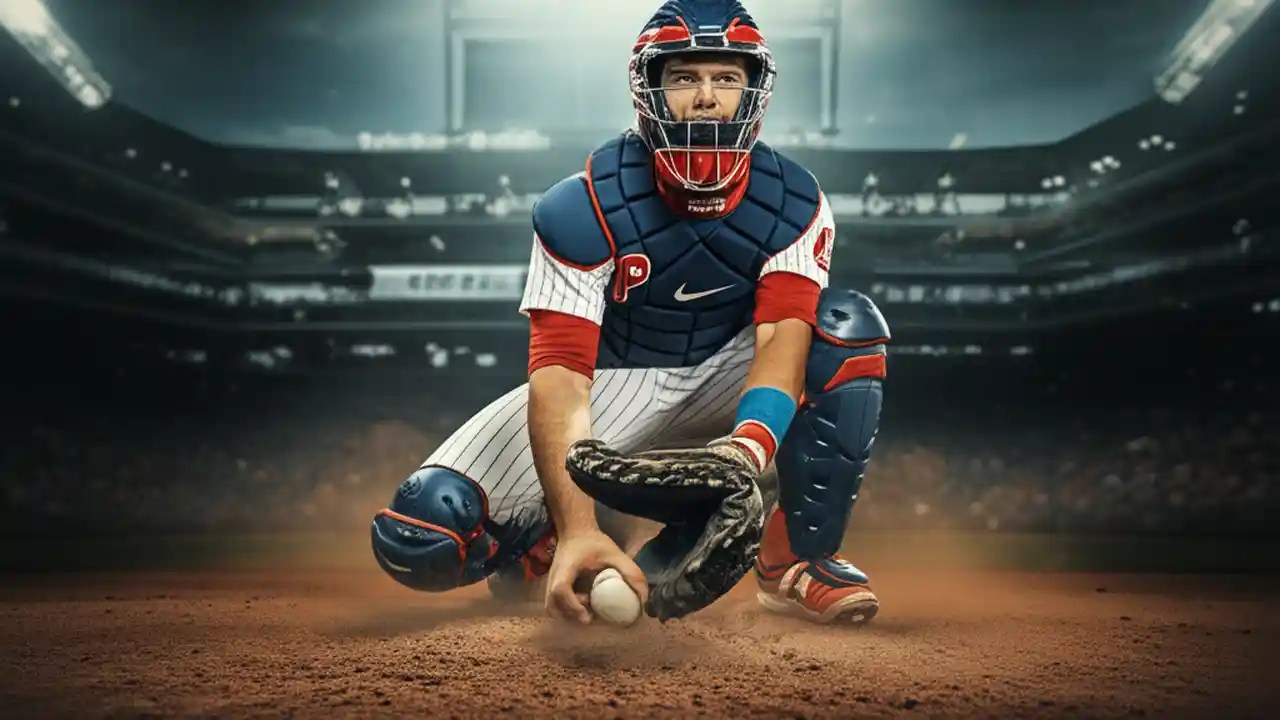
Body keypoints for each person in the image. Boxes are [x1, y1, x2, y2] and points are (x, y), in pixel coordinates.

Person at [371, 0, 889, 626]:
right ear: (650, 89)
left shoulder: (797, 202)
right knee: (424, 533)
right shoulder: (582, 205)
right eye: (684, 77)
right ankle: (547, 543)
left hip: (733, 376)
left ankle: (795, 563)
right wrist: (578, 527)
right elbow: (561, 376)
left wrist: (746, 454)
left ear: (754, 91)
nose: (706, 97)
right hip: (617, 387)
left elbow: (781, 341)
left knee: (845, 328)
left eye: (726, 78)